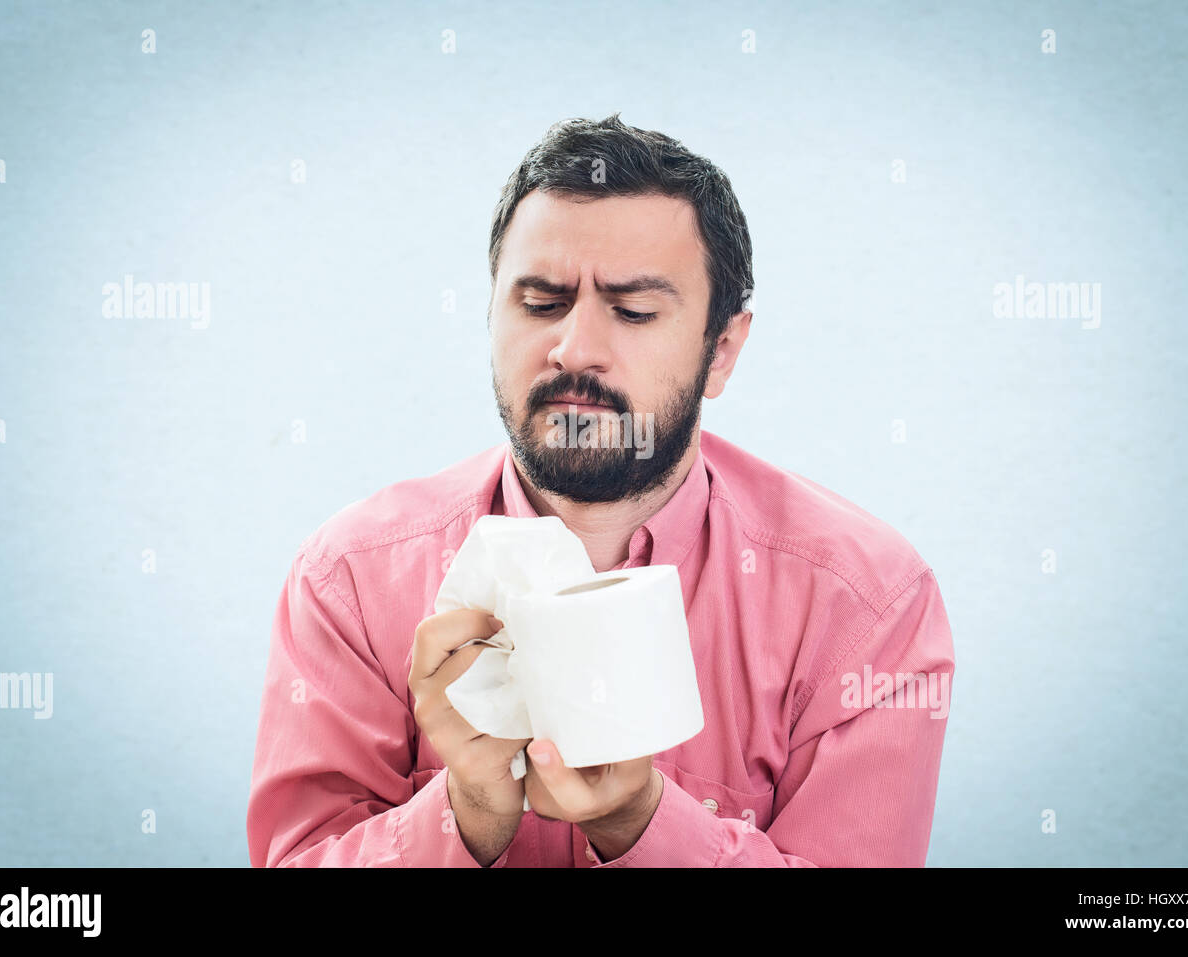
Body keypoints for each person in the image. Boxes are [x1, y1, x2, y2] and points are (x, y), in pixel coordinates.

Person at [246, 113, 955, 867]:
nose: (575, 347)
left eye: (633, 310)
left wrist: (643, 822)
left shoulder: (869, 607)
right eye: (541, 303)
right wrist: (469, 811)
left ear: (722, 351)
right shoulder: (349, 579)